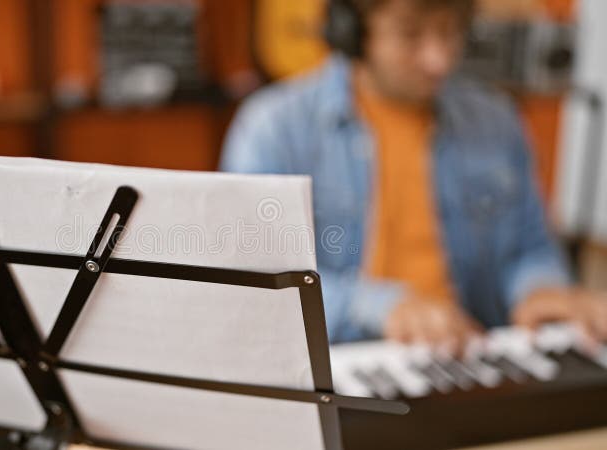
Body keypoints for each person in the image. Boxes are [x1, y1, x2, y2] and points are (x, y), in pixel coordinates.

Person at [221, 0, 607, 350]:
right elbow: (259, 284)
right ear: (352, 32)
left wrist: (540, 291)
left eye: (450, 30)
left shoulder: (496, 120)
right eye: (410, 34)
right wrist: (383, 308)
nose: (438, 59)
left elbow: (529, 247)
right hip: (340, 362)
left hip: (468, 356)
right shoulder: (273, 128)